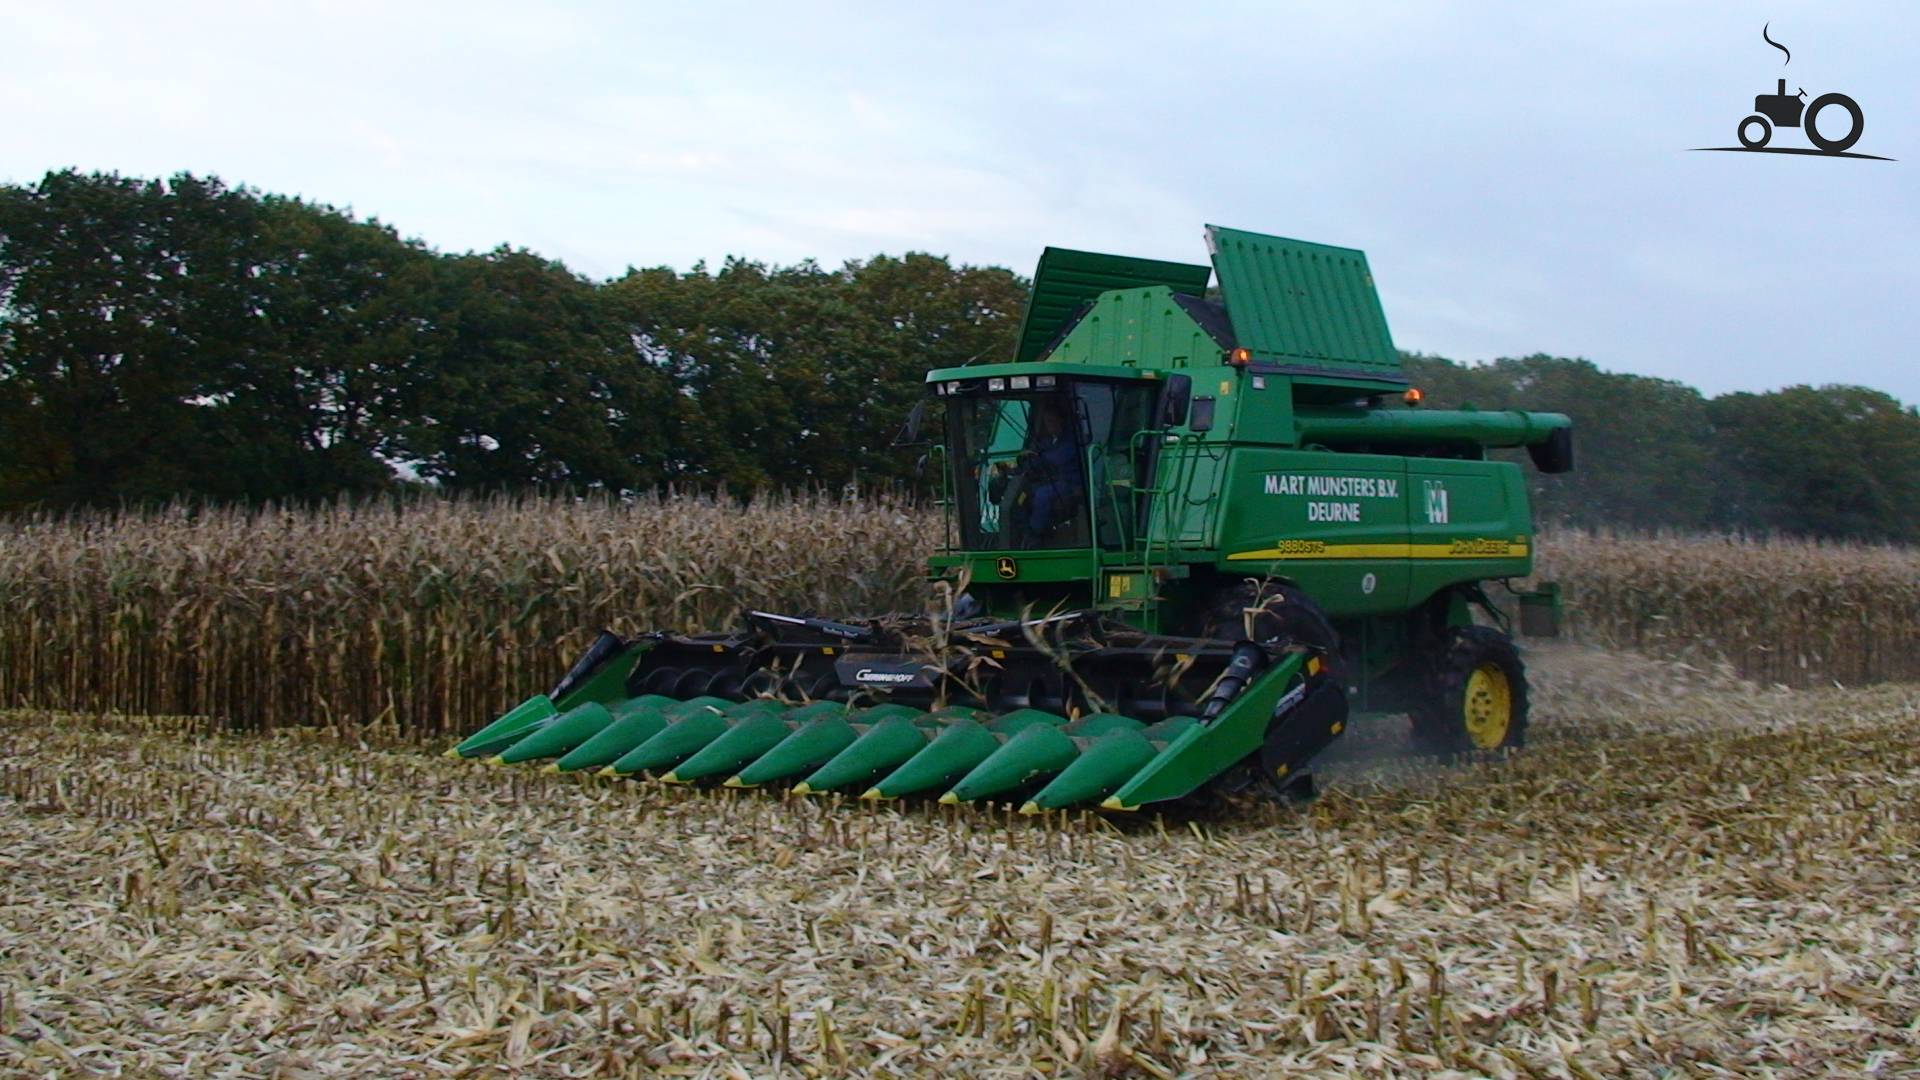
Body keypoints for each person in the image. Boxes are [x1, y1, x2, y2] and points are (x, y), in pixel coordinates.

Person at [1022, 400, 1081, 533]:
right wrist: (1023, 464)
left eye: (1052, 420)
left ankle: (1035, 532)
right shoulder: (1047, 441)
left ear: (1061, 420)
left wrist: (1036, 456)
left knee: (1042, 495)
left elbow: (1057, 459)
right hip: (1051, 481)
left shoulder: (1072, 440)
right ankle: (1023, 530)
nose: (1050, 424)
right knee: (1023, 492)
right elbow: (1036, 462)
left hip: (1070, 482)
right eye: (1047, 421)